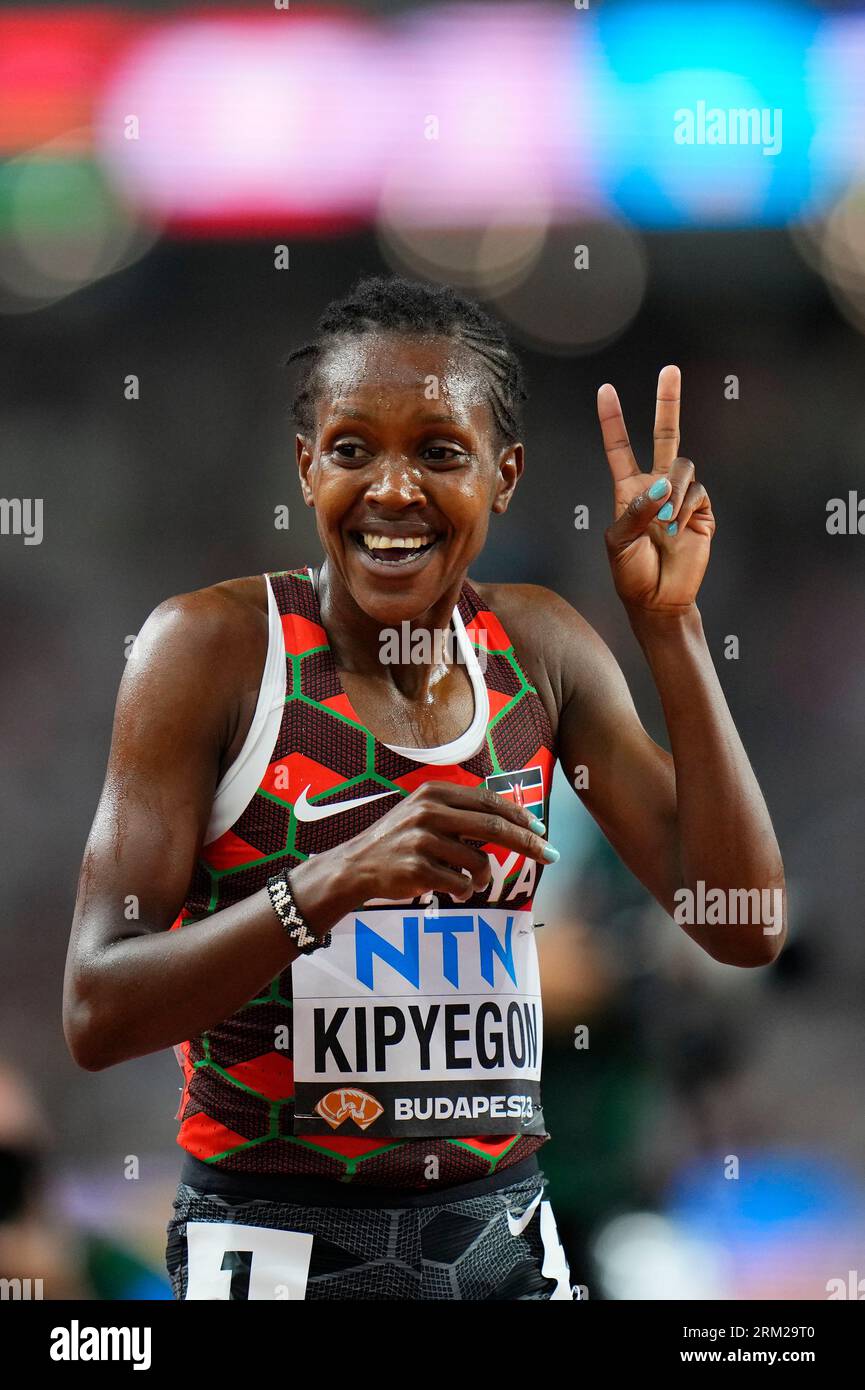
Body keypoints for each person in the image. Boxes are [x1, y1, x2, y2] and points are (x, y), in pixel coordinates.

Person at [63, 274, 785, 1300]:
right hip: (277, 1242)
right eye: (353, 447)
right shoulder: (210, 653)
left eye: (440, 451)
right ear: (307, 465)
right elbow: (94, 1008)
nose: (392, 489)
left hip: (504, 1241)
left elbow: (743, 922)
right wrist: (322, 889)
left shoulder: (539, 648)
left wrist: (670, 628)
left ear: (503, 474)